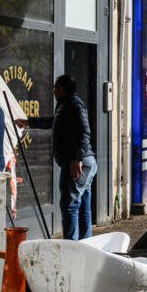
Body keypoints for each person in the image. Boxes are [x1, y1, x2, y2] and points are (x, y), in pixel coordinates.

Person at [29, 76, 97, 240]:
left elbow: (85, 132)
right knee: (82, 205)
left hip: (78, 162)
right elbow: (53, 122)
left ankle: (71, 247)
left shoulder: (74, 105)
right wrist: (28, 122)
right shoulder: (67, 105)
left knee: (70, 206)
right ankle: (84, 244)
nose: (52, 91)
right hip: (83, 161)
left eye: (54, 88)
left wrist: (77, 158)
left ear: (60, 89)